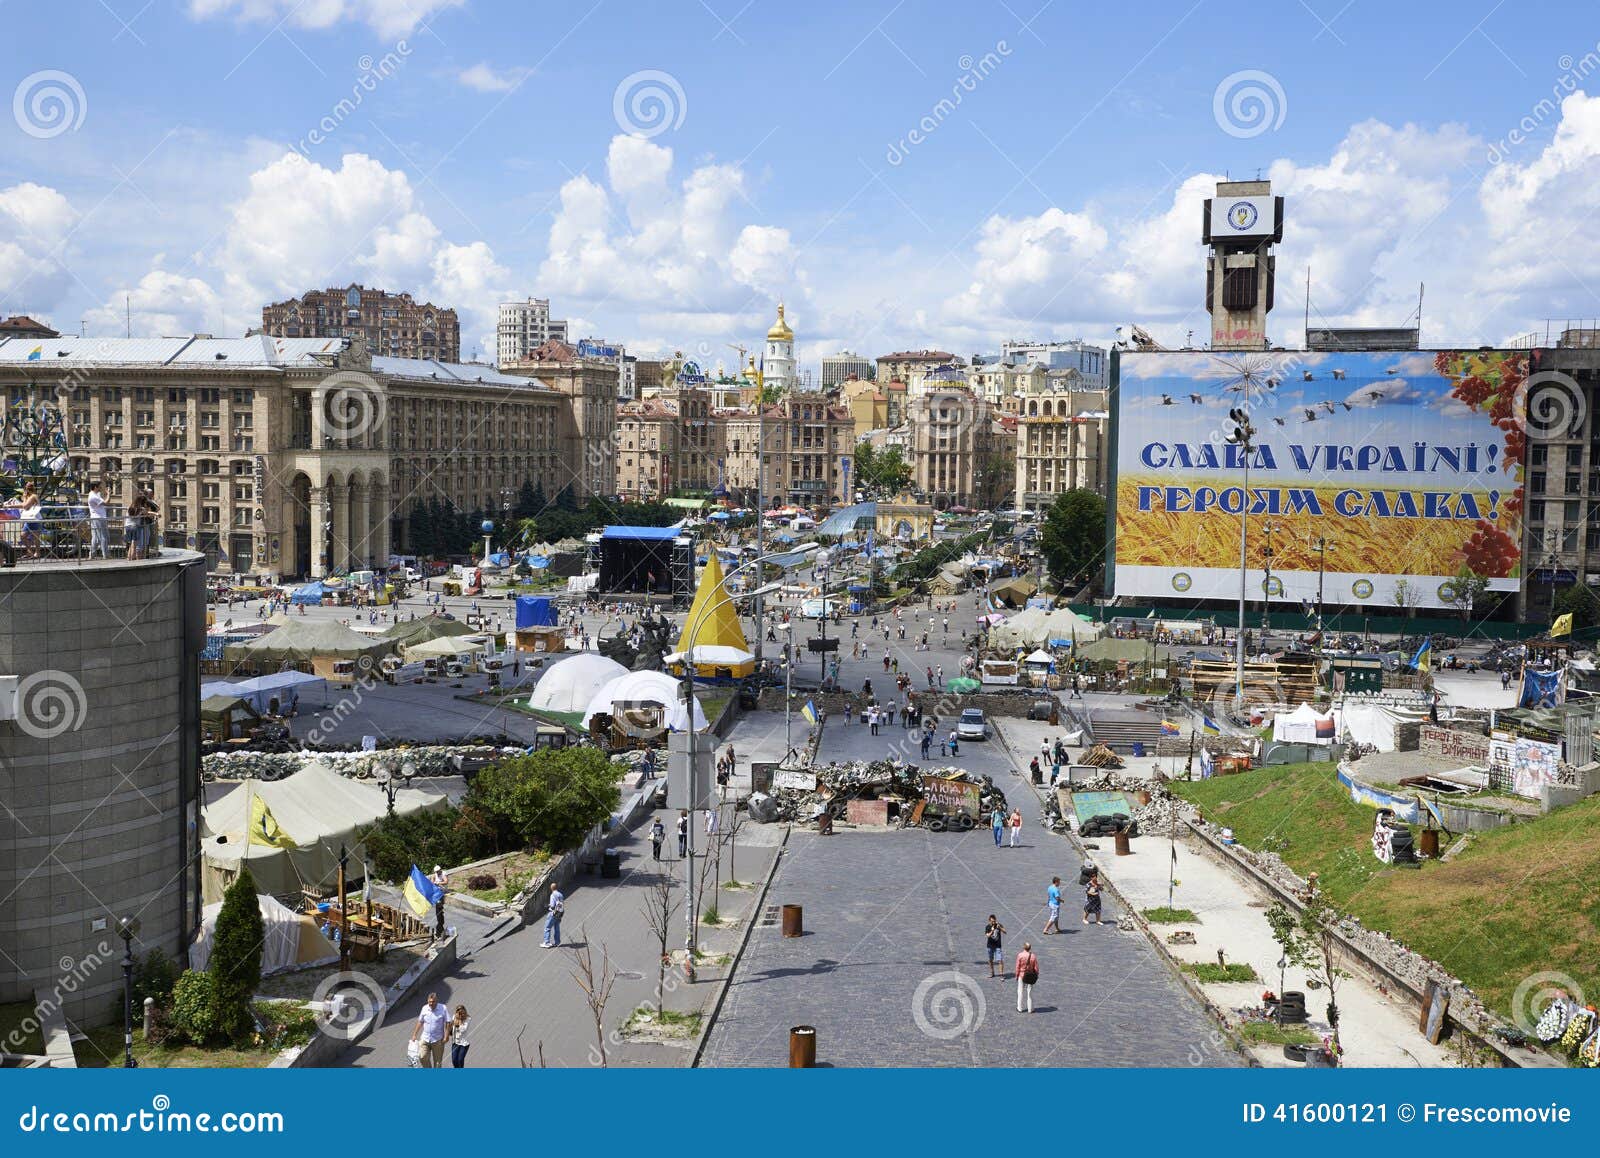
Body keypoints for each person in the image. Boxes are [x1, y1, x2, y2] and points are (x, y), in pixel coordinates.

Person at [410, 992, 450, 1067]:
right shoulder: (424, 1008)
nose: (431, 1003)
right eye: (429, 1002)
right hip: (425, 1038)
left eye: (433, 1001)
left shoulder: (443, 1008)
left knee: (437, 1063)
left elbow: (448, 1022)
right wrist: (414, 1035)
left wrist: (446, 1036)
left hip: (437, 1040)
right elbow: (420, 1022)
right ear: (427, 1001)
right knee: (422, 1057)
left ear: (436, 1001)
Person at [1015, 941, 1040, 1013]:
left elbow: (1017, 967)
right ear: (1030, 948)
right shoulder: (1033, 956)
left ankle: (1019, 1008)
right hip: (1030, 976)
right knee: (1030, 993)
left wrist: (1017, 975)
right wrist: (1036, 975)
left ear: (1024, 947)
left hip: (1022, 975)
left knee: (1020, 992)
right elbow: (1036, 968)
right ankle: (1030, 1009)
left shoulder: (1020, 955)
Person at [86, 482, 108, 558]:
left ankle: (92, 554)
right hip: (99, 518)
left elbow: (101, 502)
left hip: (96, 518)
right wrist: (109, 494)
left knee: (95, 537)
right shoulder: (93, 496)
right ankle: (106, 555)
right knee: (103, 536)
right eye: (99, 487)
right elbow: (106, 502)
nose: (100, 488)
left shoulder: (94, 494)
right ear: (95, 487)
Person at [429, 865, 449, 938]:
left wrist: (438, 883)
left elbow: (446, 881)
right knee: (440, 917)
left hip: (442, 890)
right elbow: (431, 883)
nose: (438, 873)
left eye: (438, 871)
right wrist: (433, 882)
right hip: (437, 891)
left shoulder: (443, 873)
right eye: (436, 872)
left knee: (440, 917)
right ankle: (440, 932)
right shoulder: (434, 875)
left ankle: (439, 932)